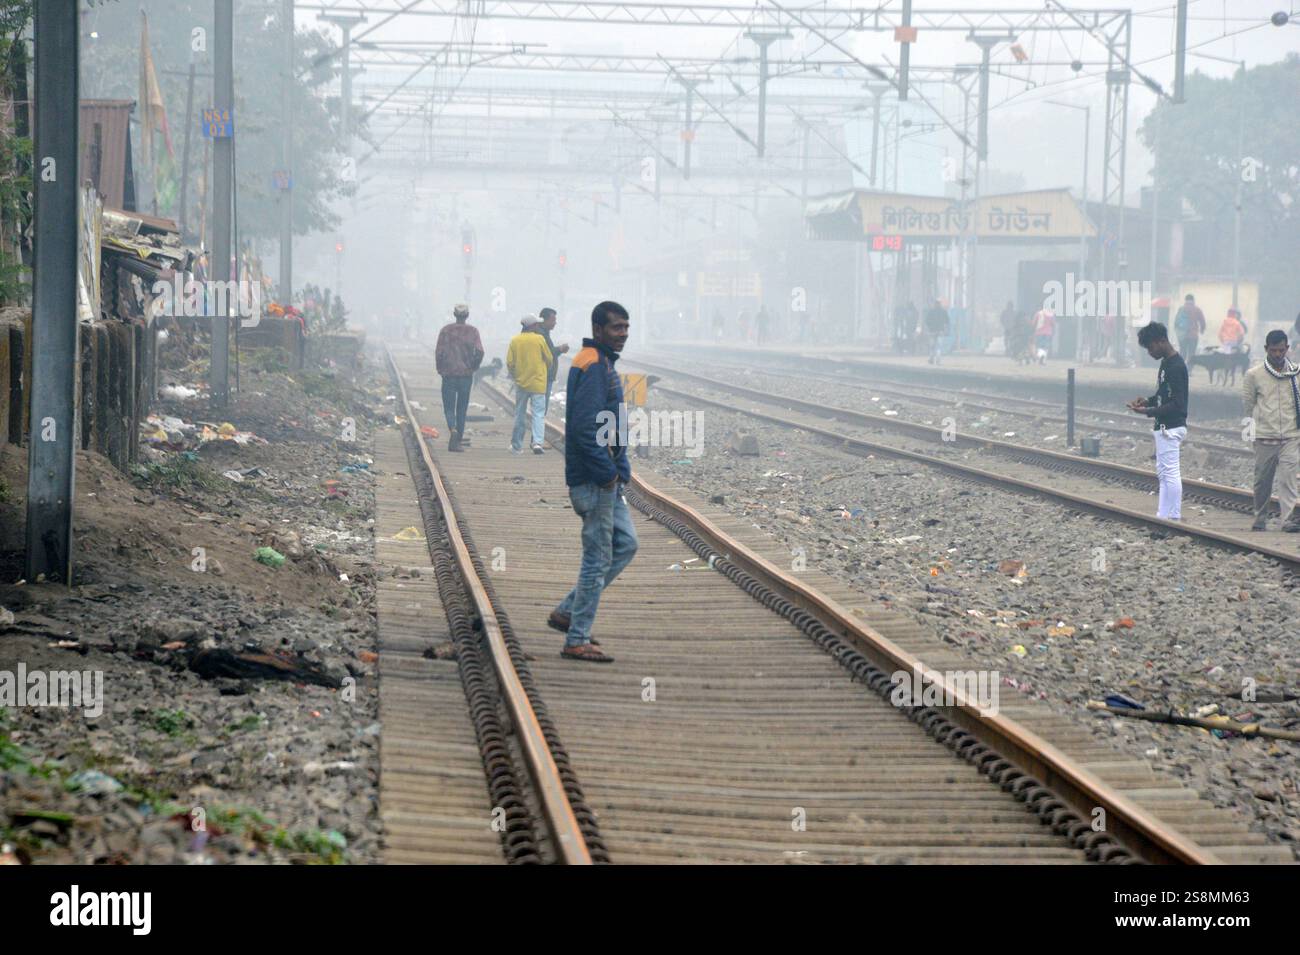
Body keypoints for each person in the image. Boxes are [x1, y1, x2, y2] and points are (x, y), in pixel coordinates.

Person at [548, 301, 638, 663]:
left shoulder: (599, 362)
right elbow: (586, 429)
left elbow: (610, 424)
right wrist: (607, 475)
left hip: (606, 480)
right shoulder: (593, 366)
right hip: (594, 481)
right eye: (617, 328)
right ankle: (577, 637)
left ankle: (569, 611)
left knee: (626, 544)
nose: (623, 335)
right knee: (597, 558)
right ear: (599, 329)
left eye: (626, 328)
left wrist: (623, 467)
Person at [1127, 322, 1189, 521]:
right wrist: (1148, 401)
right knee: (1163, 473)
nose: (1149, 352)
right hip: (1164, 426)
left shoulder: (1176, 366)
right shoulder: (1166, 363)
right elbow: (1165, 396)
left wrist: (1149, 411)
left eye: (1150, 347)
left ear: (1162, 341)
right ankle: (1163, 515)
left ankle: (1174, 516)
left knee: (1170, 473)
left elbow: (1178, 404)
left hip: (1171, 426)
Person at [1242, 330, 1300, 532]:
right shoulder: (1254, 375)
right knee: (1262, 483)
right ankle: (1260, 518)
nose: (1277, 354)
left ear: (1287, 349)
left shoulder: (1295, 373)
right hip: (1264, 437)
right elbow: (1248, 407)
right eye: (1273, 350)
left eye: (1281, 350)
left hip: (1291, 437)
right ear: (1266, 349)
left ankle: (1287, 520)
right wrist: (1249, 437)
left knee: (1289, 480)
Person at [434, 303, 484, 453]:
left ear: (454, 314)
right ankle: (458, 441)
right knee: (461, 409)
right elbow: (480, 351)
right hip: (465, 376)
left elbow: (439, 352)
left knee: (449, 408)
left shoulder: (445, 331)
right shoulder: (473, 331)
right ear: (467, 315)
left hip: (449, 375)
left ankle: (453, 429)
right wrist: (473, 366)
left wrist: (440, 368)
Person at [506, 315, 553, 454]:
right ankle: (537, 443)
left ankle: (516, 446)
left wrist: (516, 375)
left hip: (521, 384)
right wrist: (543, 370)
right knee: (538, 414)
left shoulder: (515, 340)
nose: (538, 326)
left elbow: (510, 363)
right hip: (538, 383)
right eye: (536, 324)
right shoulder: (539, 339)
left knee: (519, 414)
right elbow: (549, 359)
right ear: (532, 326)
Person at [538, 306, 569, 413]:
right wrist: (560, 349)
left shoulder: (544, 333)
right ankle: (538, 429)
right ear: (544, 320)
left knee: (540, 408)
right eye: (553, 320)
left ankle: (537, 428)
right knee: (541, 409)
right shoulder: (540, 334)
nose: (555, 323)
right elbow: (547, 353)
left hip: (545, 375)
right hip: (544, 376)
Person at [1172, 293, 1206, 358]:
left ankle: (1181, 367)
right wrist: (1202, 330)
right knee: (1191, 354)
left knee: (1182, 352)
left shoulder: (1181, 309)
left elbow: (1176, 322)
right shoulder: (1197, 309)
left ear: (1185, 300)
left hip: (1182, 335)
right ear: (1193, 300)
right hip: (1193, 335)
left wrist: (1178, 332)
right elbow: (1202, 321)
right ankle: (1189, 368)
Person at [924, 299, 949, 365]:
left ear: (934, 304)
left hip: (932, 331)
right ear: (940, 304)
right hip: (940, 331)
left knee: (932, 346)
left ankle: (931, 359)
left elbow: (926, 321)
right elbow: (947, 322)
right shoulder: (943, 311)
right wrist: (945, 330)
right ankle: (938, 360)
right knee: (939, 346)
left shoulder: (931, 311)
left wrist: (929, 329)